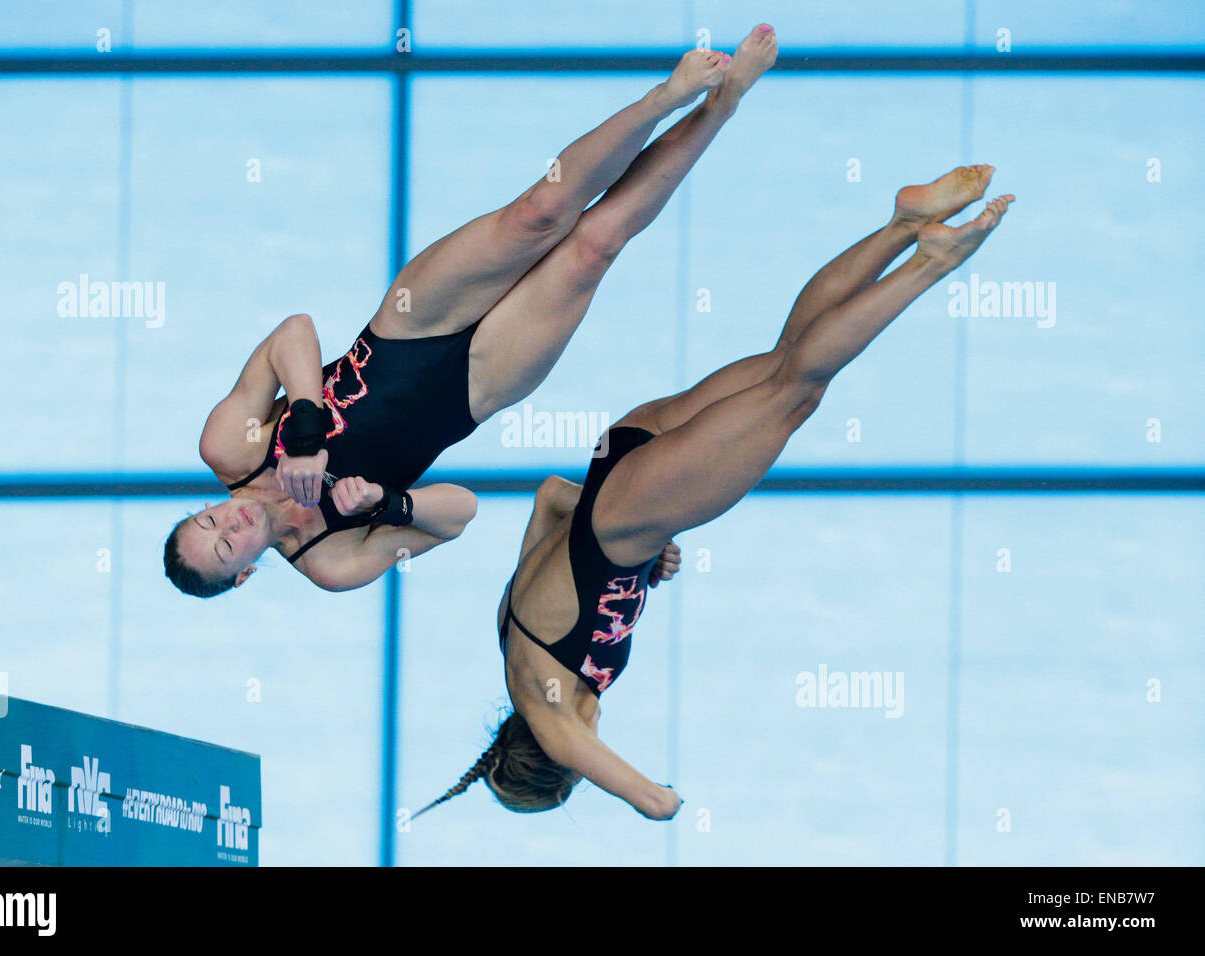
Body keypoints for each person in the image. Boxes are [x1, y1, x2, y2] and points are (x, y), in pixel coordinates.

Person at [416, 167, 1014, 819]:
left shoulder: (555, 713)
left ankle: (928, 263)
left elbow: (657, 803)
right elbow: (555, 497)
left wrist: (642, 533)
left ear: (562, 765)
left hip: (633, 509)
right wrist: (646, 556)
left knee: (798, 391)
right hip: (626, 454)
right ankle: (903, 223)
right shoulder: (509, 639)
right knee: (789, 358)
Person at [166, 26, 781, 597]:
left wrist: (303, 429)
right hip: (475, 387)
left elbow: (292, 333)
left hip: (404, 329)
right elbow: (460, 513)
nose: (231, 522)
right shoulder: (331, 560)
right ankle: (720, 108)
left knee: (538, 214)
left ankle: (663, 97)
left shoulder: (229, 449)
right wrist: (387, 503)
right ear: (245, 572)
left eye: (209, 519)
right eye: (226, 546)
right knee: (594, 247)